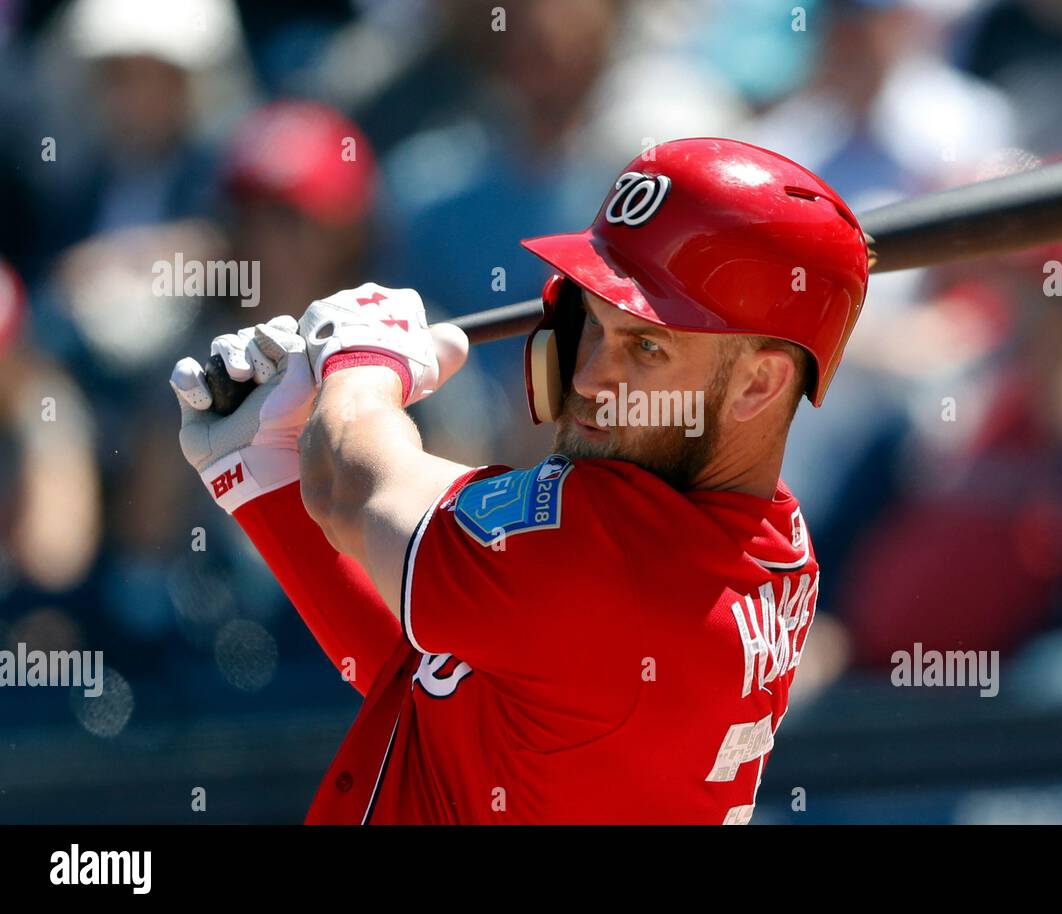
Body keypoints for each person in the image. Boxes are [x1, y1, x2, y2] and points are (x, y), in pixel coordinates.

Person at [169, 138, 868, 824]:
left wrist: (364, 361)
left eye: (646, 346)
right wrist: (262, 470)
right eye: (590, 324)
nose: (590, 375)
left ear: (761, 382)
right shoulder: (773, 538)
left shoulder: (609, 557)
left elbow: (353, 491)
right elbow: (435, 664)